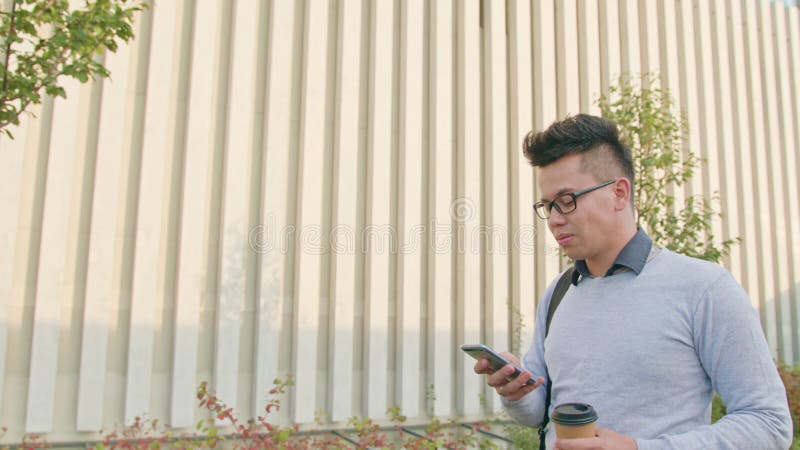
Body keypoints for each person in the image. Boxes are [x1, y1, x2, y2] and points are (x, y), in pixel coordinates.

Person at [474, 114, 793, 449]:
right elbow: (540, 412)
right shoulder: (559, 293)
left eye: (567, 201)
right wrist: (516, 393)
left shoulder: (705, 289)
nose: (554, 220)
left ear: (619, 193)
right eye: (547, 205)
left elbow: (768, 424)